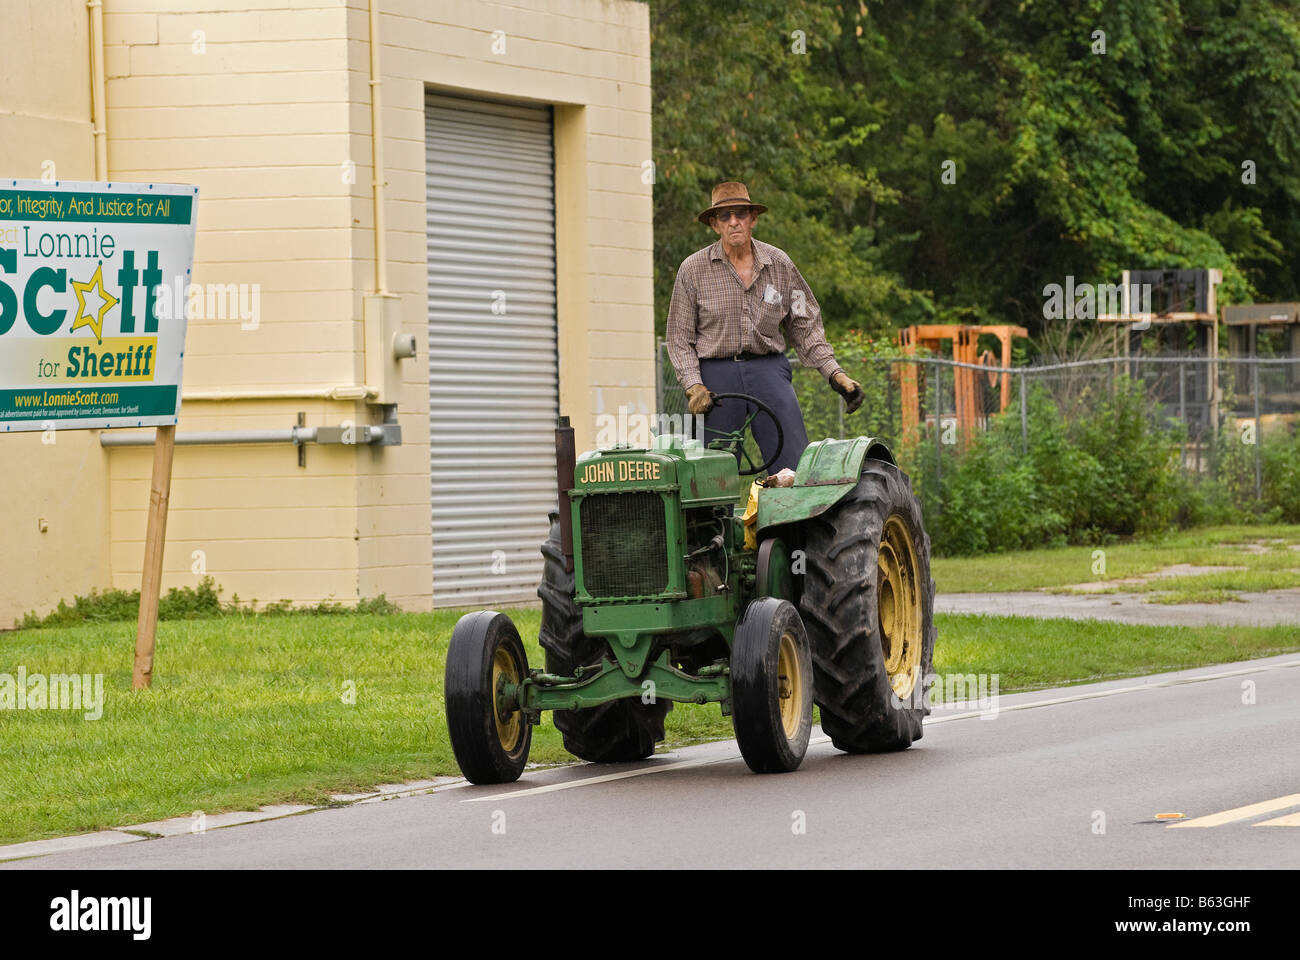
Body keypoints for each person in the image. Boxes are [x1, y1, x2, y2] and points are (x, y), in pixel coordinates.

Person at [665, 181, 862, 473]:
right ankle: (712, 518)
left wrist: (836, 374)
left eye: (741, 214)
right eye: (725, 216)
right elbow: (680, 337)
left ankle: (792, 517)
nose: (734, 222)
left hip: (769, 370)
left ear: (752, 219)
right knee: (707, 474)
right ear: (714, 224)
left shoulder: (779, 264)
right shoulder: (693, 270)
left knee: (793, 467)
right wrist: (694, 385)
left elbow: (804, 325)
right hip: (715, 379)